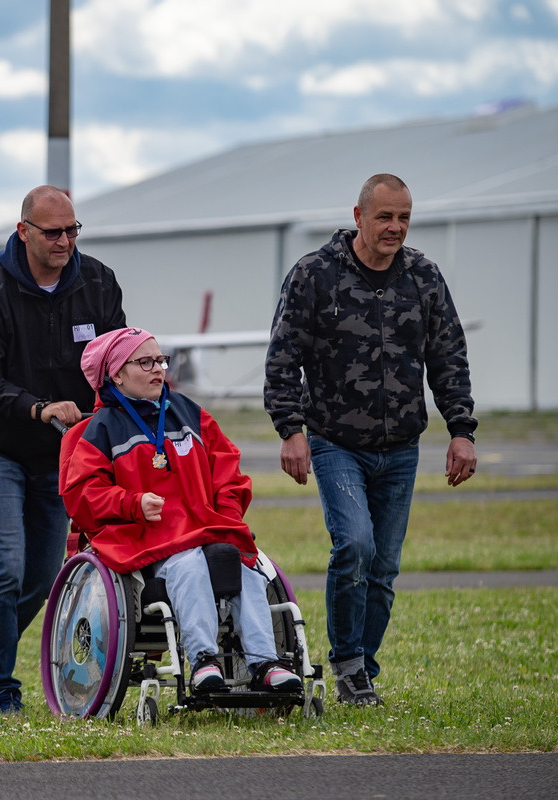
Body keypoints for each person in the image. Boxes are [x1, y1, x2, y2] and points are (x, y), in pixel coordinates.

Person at [264, 173, 478, 706]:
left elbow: (448, 357)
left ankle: (363, 668)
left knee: (383, 568)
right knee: (354, 545)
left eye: (404, 217)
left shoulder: (423, 276)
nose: (395, 228)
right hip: (335, 440)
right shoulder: (315, 275)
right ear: (358, 216)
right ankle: (348, 665)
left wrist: (461, 431)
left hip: (402, 446)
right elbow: (283, 357)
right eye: (384, 217)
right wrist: (291, 431)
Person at [0, 185, 126, 714]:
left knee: (46, 575)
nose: (65, 241)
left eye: (73, 230)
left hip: (64, 450)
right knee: (4, 565)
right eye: (53, 232)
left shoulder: (98, 282)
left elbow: (116, 356)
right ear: (23, 230)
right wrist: (38, 406)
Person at [59, 327, 302, 695]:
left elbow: (228, 472)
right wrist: (132, 503)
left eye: (161, 360)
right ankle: (204, 661)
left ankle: (265, 662)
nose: (158, 369)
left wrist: (227, 514)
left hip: (206, 528)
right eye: (145, 362)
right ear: (116, 374)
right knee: (188, 564)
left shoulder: (190, 413)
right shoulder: (100, 430)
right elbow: (83, 493)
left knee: (245, 564)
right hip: (145, 540)